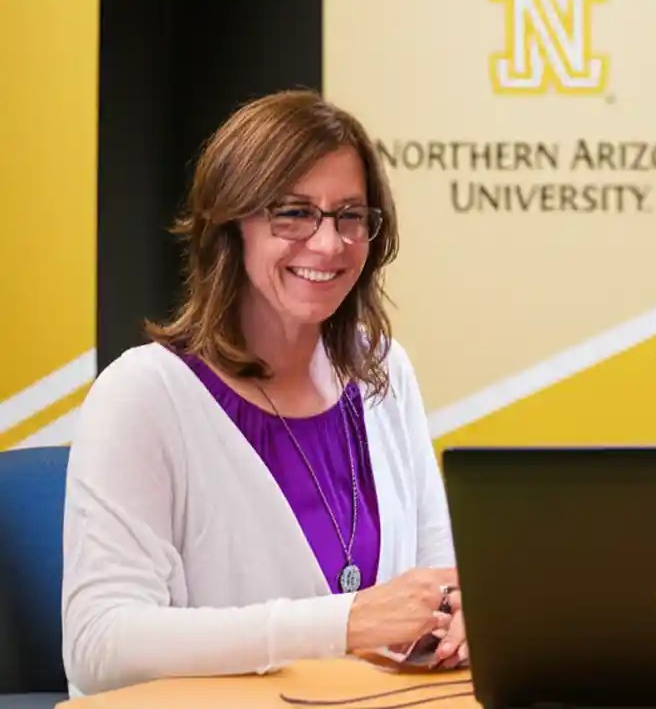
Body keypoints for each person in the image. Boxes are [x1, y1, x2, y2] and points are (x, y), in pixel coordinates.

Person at [61, 90, 465, 696]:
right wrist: (342, 623)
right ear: (232, 225)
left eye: (351, 215)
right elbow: (100, 645)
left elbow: (439, 580)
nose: (329, 244)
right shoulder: (142, 395)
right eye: (294, 213)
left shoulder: (384, 370)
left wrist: (462, 614)